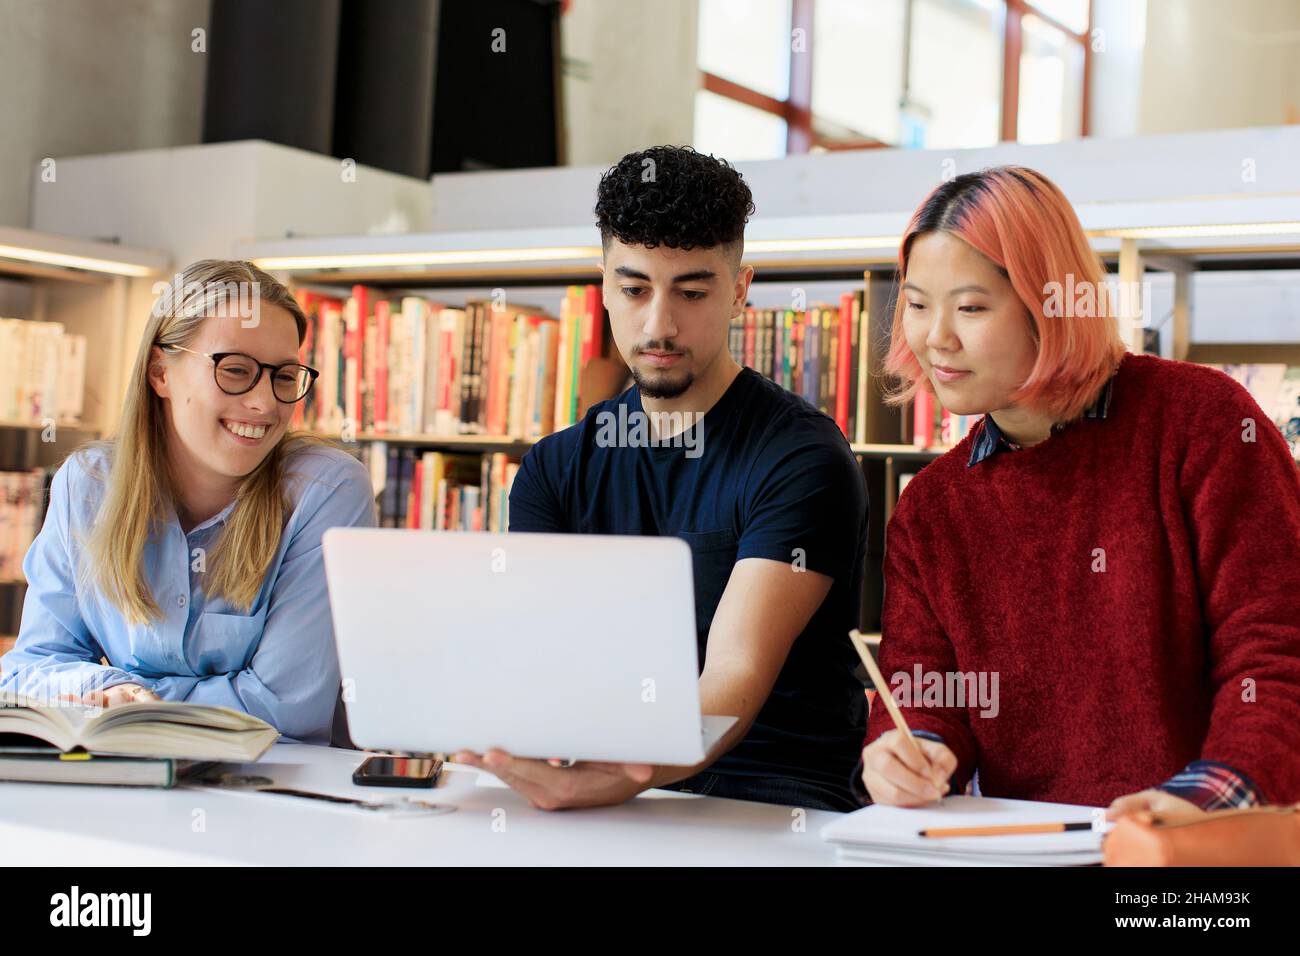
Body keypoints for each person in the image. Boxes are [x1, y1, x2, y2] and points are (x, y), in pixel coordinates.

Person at [857, 166, 1300, 818]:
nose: (935, 337)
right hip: (1026, 852)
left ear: (1051, 304)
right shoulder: (934, 506)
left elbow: (1276, 658)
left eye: (971, 307)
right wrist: (909, 751)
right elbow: (925, 694)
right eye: (918, 304)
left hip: (1204, 852)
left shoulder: (1205, 424)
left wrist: (1204, 799)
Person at [453, 146, 870, 811]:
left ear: (740, 290)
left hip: (771, 796)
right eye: (635, 287)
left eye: (693, 291)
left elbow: (733, 673)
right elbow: (542, 655)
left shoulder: (802, 457)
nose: (659, 325)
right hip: (613, 780)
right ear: (603, 284)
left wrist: (614, 777)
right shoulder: (554, 470)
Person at [0, 260, 376, 743]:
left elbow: (285, 708)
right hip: (123, 777)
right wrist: (105, 686)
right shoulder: (88, 483)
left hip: (270, 791)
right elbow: (30, 666)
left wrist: (129, 704)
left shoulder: (326, 489)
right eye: (236, 370)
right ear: (161, 372)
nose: (265, 403)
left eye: (284, 376)